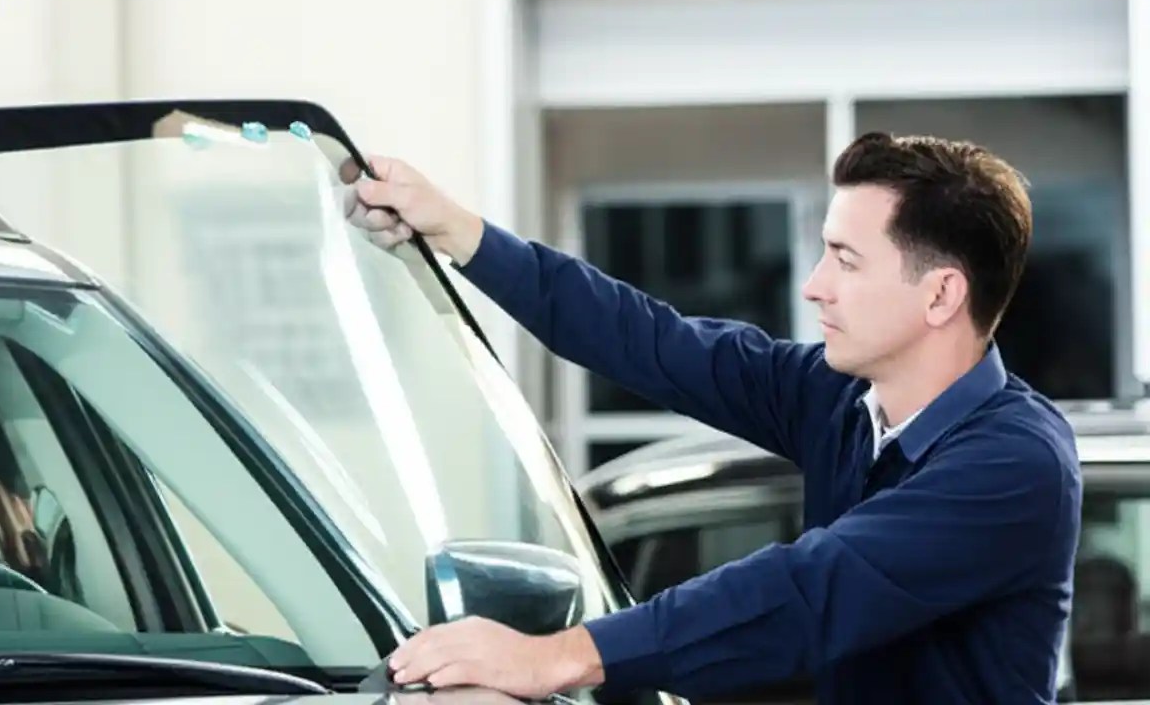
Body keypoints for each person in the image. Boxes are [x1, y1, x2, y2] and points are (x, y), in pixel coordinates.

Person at [345, 132, 1083, 704]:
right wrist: (458, 232)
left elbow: (805, 593)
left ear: (941, 295)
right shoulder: (838, 399)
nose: (815, 286)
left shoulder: (1014, 465)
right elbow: (650, 341)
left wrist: (552, 658)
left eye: (846, 261)